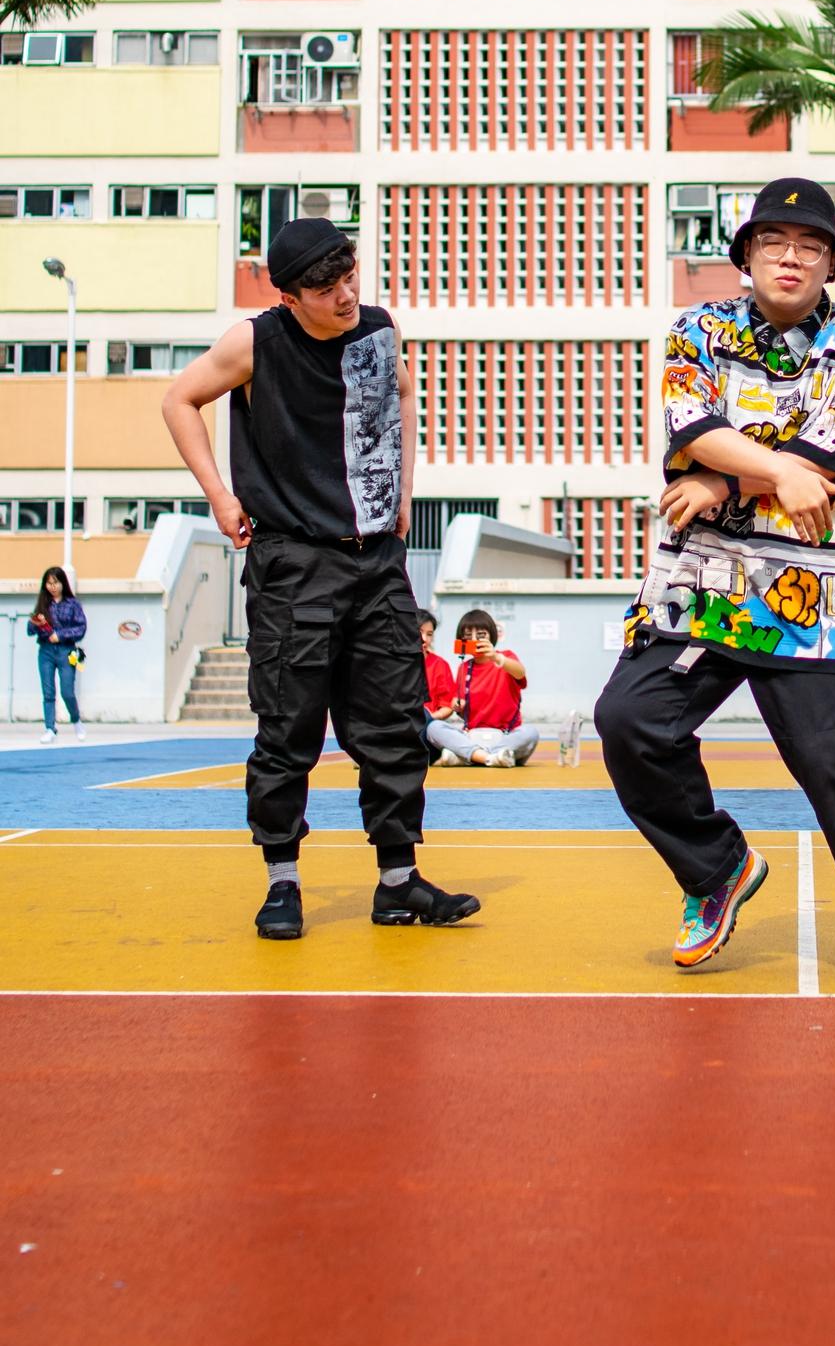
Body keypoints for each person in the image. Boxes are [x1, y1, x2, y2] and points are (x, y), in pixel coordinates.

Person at [594, 175, 835, 989]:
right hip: (704, 581)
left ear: (831, 263)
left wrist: (723, 482)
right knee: (629, 719)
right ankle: (715, 869)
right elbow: (694, 426)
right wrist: (762, 472)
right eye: (773, 244)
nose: (791, 258)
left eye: (810, 247)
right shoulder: (698, 329)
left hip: (820, 589)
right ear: (747, 256)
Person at [162, 215, 479, 941]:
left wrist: (402, 493)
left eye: (350, 277)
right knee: (288, 728)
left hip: (375, 559)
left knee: (397, 725)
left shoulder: (376, 329)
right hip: (292, 560)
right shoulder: (255, 342)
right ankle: (282, 883)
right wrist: (219, 494)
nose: (345, 295)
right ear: (289, 296)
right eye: (326, 287)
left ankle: (398, 884)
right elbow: (178, 399)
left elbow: (401, 395)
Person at [427, 609, 538, 769]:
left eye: (480, 635)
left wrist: (496, 657)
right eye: (468, 636)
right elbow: (459, 705)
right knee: (434, 728)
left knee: (530, 733)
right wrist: (457, 706)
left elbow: (520, 673)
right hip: (472, 736)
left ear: (491, 636)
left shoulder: (506, 656)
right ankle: (492, 758)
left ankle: (469, 757)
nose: (474, 640)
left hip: (506, 737)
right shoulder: (464, 667)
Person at [27, 565, 87, 744]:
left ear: (63, 583)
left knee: (67, 691)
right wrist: (36, 623)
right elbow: (30, 630)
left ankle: (76, 720)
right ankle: (49, 728)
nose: (52, 586)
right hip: (45, 651)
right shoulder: (42, 604)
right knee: (48, 692)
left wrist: (60, 635)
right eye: (49, 583)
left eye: (56, 582)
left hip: (67, 651)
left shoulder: (73, 604)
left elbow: (81, 628)